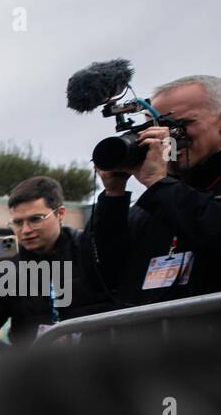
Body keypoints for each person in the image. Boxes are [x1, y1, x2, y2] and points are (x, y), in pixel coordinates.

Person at [89, 74, 221, 307]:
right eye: (157, 127)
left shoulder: (162, 192)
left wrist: (159, 184)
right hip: (149, 340)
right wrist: (114, 197)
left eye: (181, 124)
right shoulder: (154, 201)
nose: (168, 137)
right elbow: (105, 277)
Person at [0, 176, 111, 346]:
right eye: (17, 222)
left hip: (96, 364)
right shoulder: (8, 266)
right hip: (34, 368)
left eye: (35, 219)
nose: (26, 230)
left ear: (60, 214)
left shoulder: (89, 250)